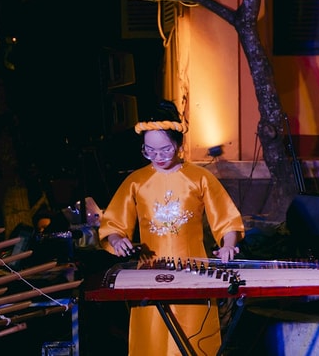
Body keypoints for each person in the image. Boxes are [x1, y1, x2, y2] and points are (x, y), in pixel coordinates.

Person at [99, 100, 244, 356]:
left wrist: (228, 245)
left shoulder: (199, 178)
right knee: (153, 340)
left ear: (179, 145)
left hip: (193, 272)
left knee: (192, 340)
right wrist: (117, 238)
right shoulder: (136, 182)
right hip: (149, 274)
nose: (158, 157)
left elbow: (226, 219)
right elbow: (113, 224)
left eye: (165, 149)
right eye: (150, 151)